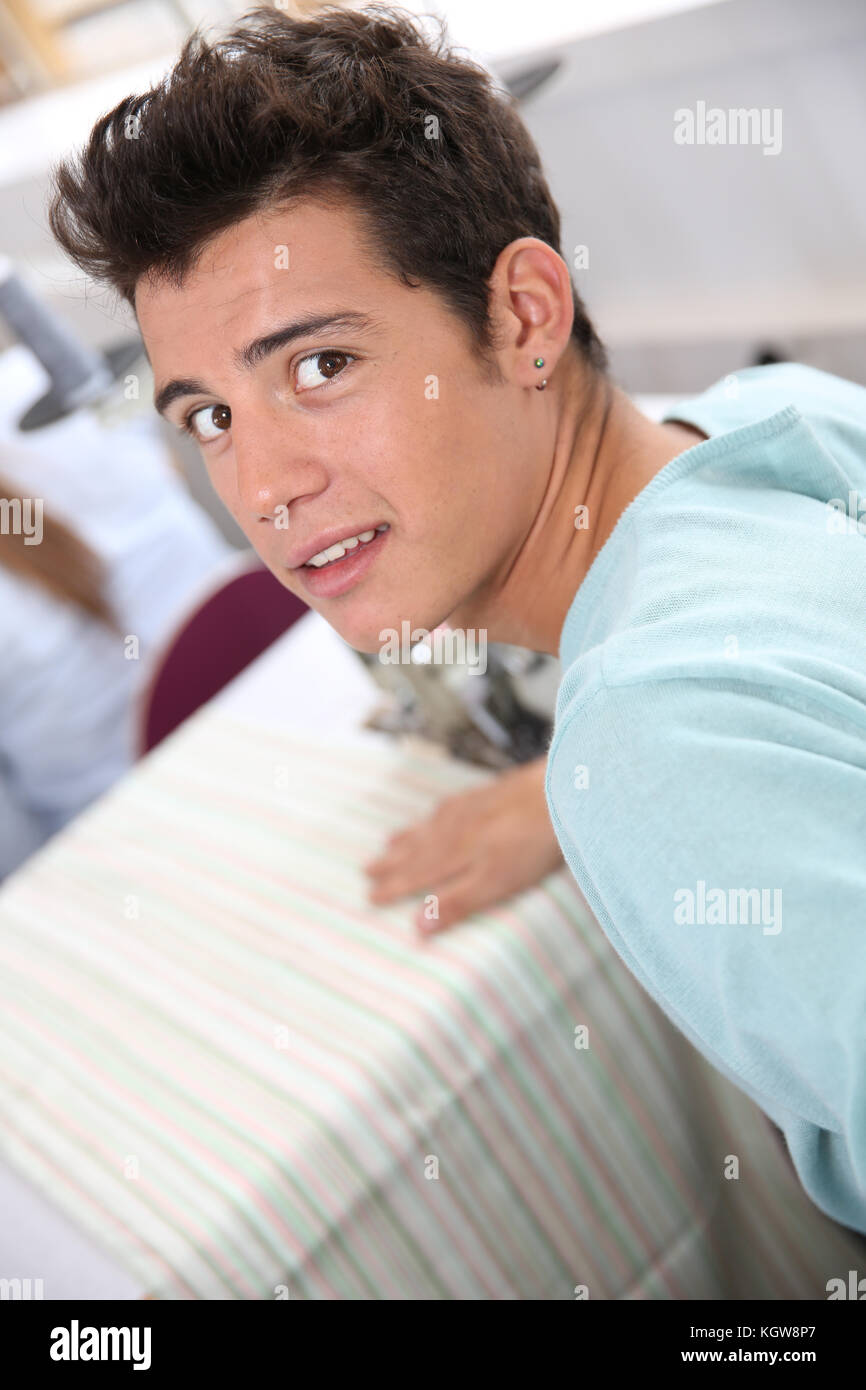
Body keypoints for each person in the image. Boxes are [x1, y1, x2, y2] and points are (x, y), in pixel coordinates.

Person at [47, 4, 866, 1238]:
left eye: (318, 365)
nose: (261, 488)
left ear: (524, 315)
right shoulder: (765, 413)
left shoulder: (646, 748)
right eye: (208, 416)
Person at [0, 420, 232, 879]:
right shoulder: (43, 380)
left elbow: (14, 856)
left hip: (128, 851)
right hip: (286, 694)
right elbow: (169, 464)